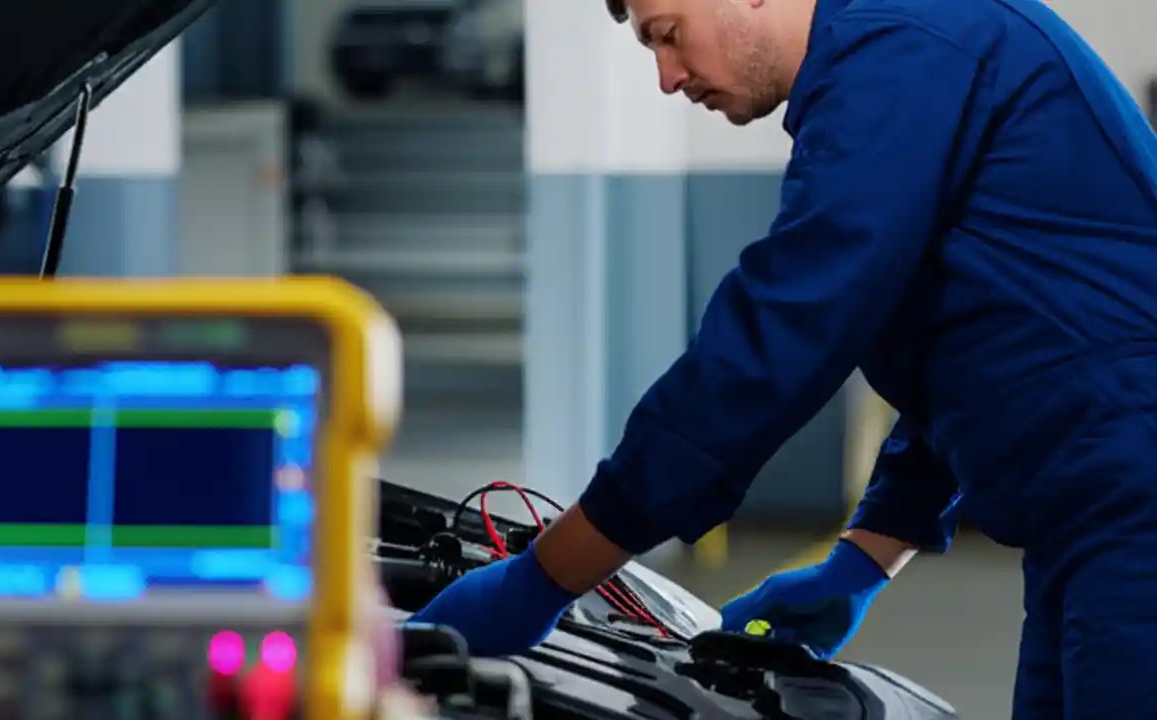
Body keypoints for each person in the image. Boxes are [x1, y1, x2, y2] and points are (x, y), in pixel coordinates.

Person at [409, 0, 1157, 715]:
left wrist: (545, 580)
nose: (667, 76)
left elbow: (778, 338)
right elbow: (978, 356)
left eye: (668, 34)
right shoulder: (905, 52)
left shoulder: (902, 46)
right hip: (1091, 516)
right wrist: (861, 564)